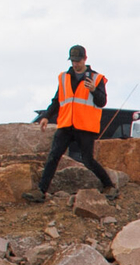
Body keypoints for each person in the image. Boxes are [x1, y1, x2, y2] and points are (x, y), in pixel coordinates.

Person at [39, 45, 114, 193]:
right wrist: (46, 116)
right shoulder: (64, 77)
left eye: (78, 60)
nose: (75, 64)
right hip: (66, 125)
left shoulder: (96, 78)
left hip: (85, 126)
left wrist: (93, 90)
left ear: (85, 59)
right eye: (73, 60)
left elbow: (102, 102)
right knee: (54, 156)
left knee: (88, 160)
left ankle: (109, 186)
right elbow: (57, 101)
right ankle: (41, 191)